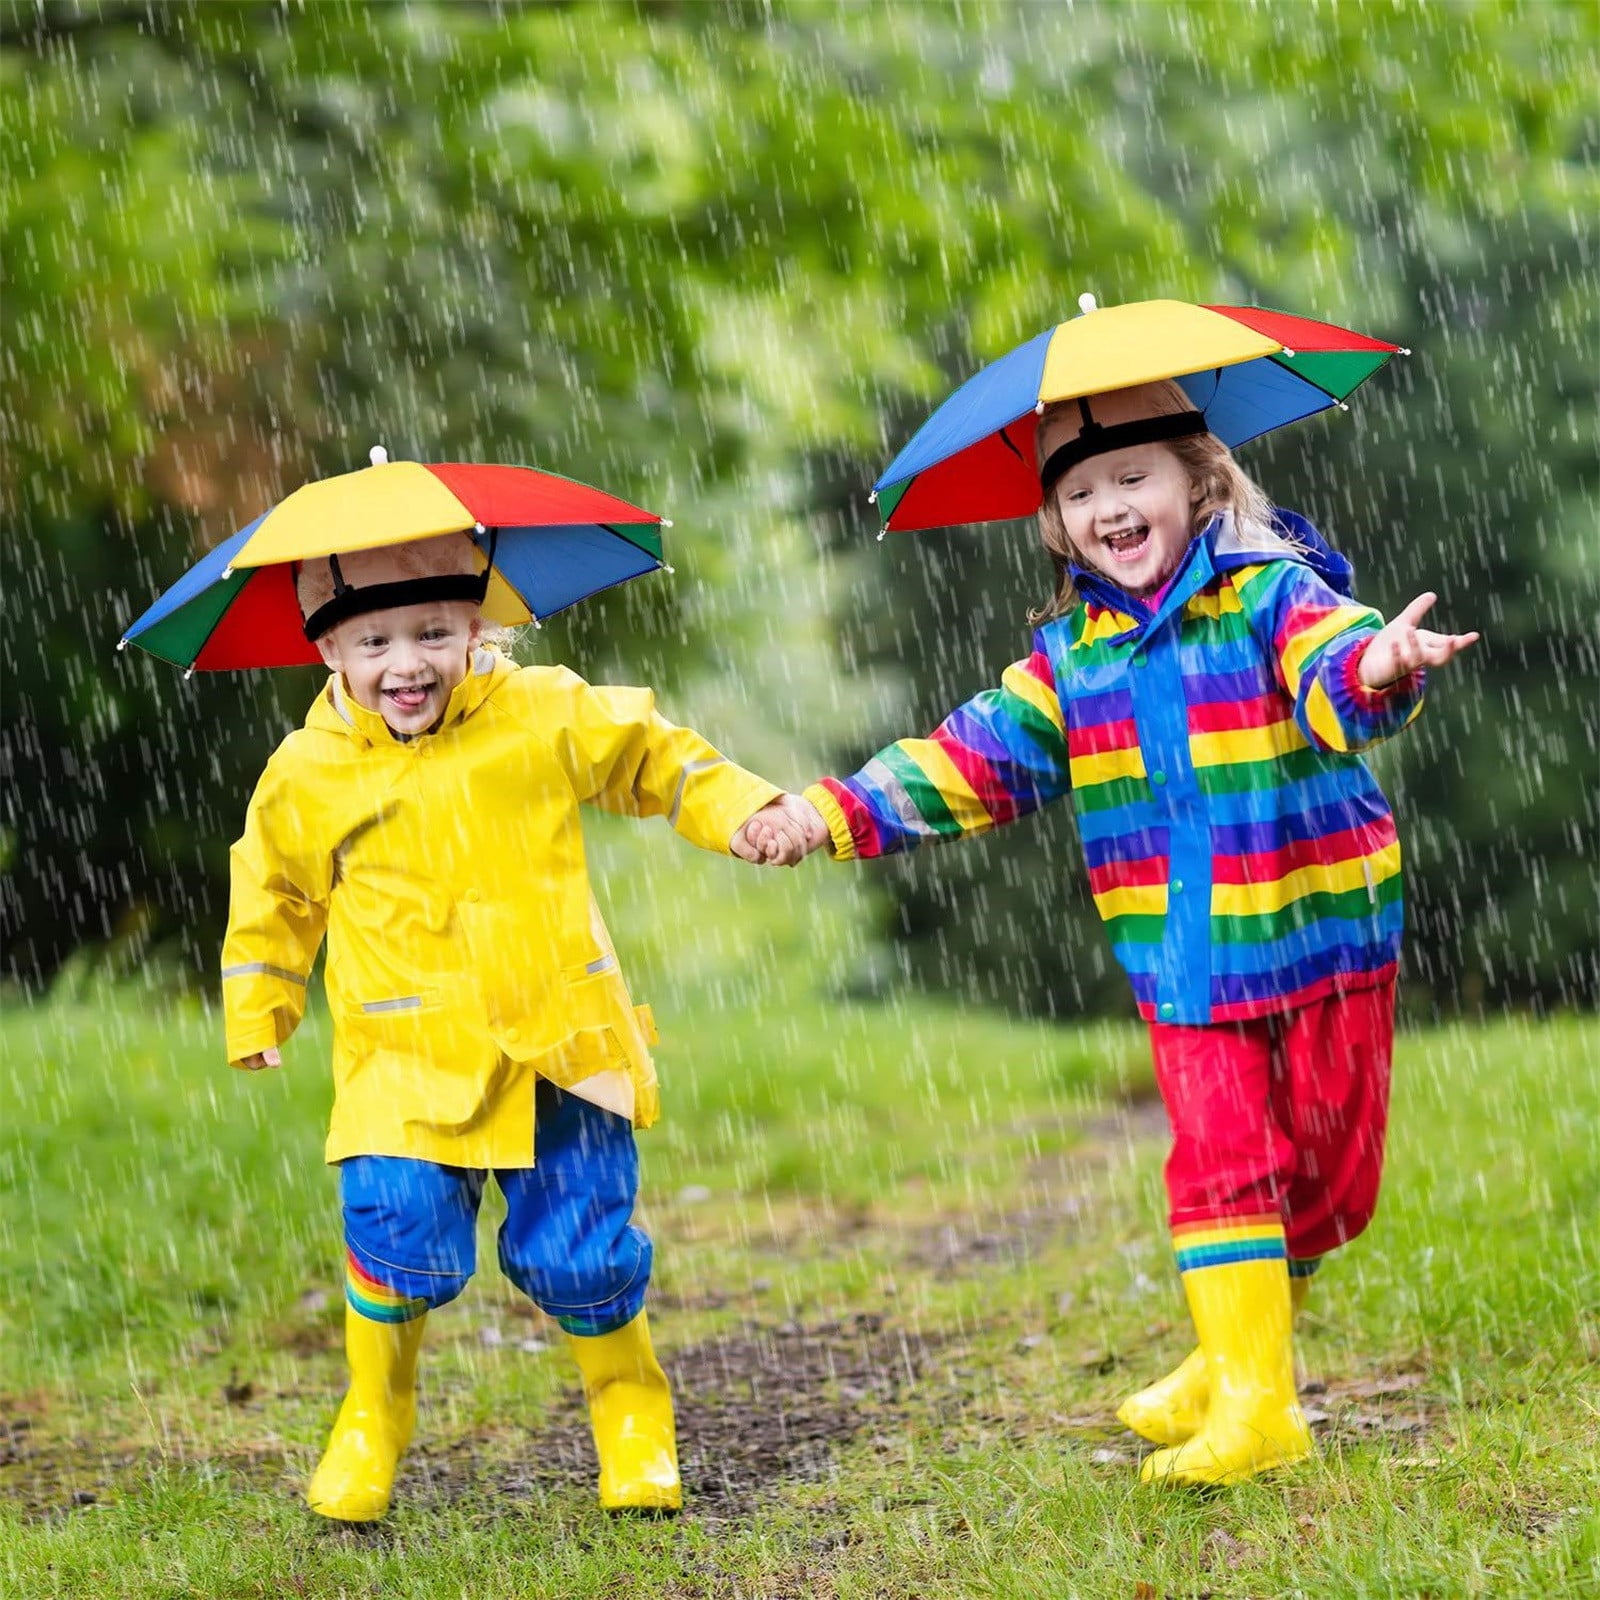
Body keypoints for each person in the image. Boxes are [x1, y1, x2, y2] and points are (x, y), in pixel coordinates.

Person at [741, 380, 1477, 1486]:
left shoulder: (1269, 593)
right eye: (1080, 492)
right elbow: (962, 761)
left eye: (1132, 478)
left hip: (1325, 932)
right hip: (1185, 959)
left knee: (1329, 1184)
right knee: (1222, 1167)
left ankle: (1239, 1349)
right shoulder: (1069, 663)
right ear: (1055, 522)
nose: (1109, 507)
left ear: (1197, 481)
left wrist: (1375, 668)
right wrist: (824, 812)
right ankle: (1255, 1399)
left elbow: (1332, 673)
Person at [224, 530, 809, 1522]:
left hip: (557, 1042)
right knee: (397, 1225)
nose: (405, 664)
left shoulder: (540, 713)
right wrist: (260, 1001)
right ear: (328, 650)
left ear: (478, 629)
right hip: (403, 1054)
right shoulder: (305, 771)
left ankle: (628, 1406)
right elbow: (273, 892)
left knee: (578, 1248)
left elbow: (654, 754)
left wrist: (744, 808)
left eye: (432, 633)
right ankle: (375, 1408)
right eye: (373, 644)